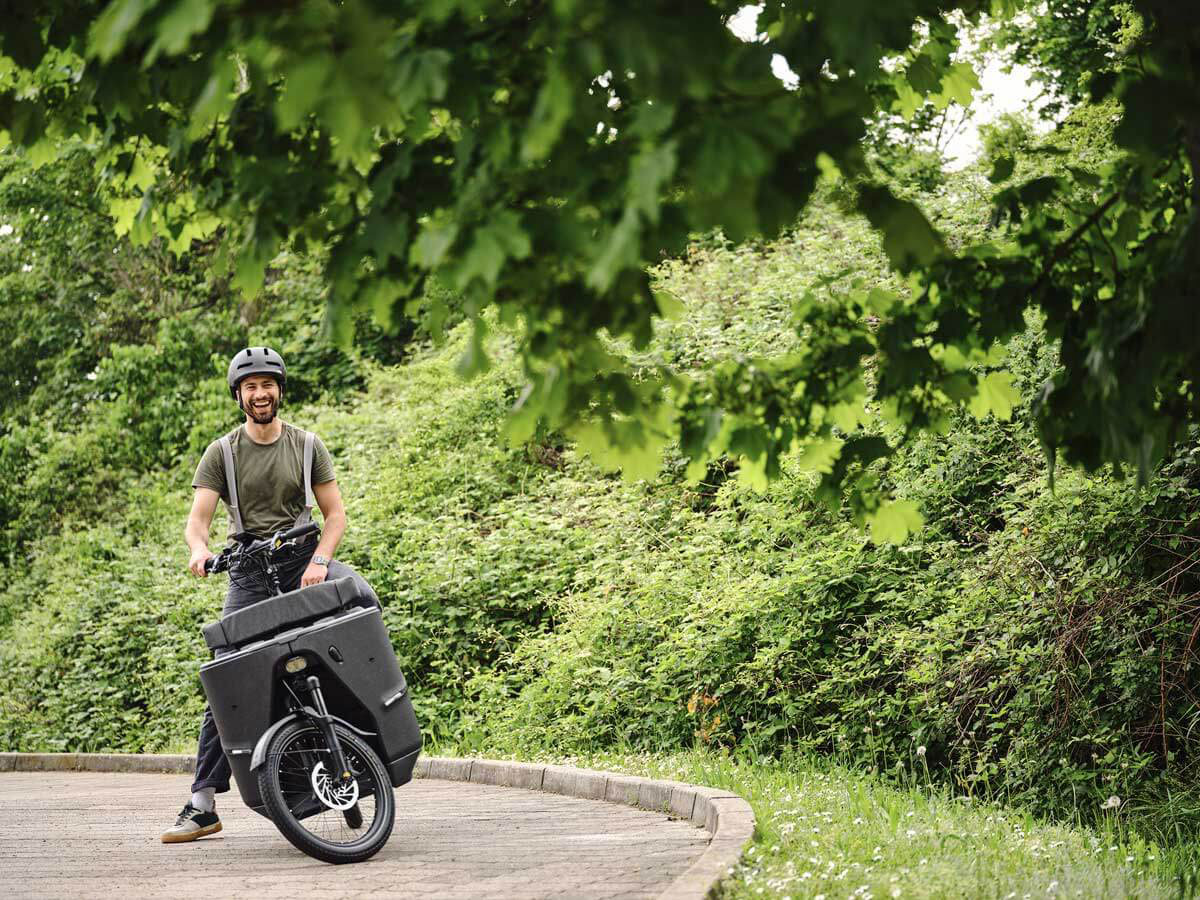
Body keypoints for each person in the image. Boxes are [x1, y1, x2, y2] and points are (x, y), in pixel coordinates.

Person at [161, 346, 378, 843]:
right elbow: (198, 522)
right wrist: (199, 551)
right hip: (247, 571)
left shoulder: (306, 446)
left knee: (362, 605)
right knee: (226, 674)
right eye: (250, 387)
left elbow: (335, 515)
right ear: (239, 395)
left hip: (303, 559)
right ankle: (203, 804)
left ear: (280, 389)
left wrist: (321, 561)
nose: (261, 394)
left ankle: (370, 740)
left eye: (268, 384)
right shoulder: (222, 452)